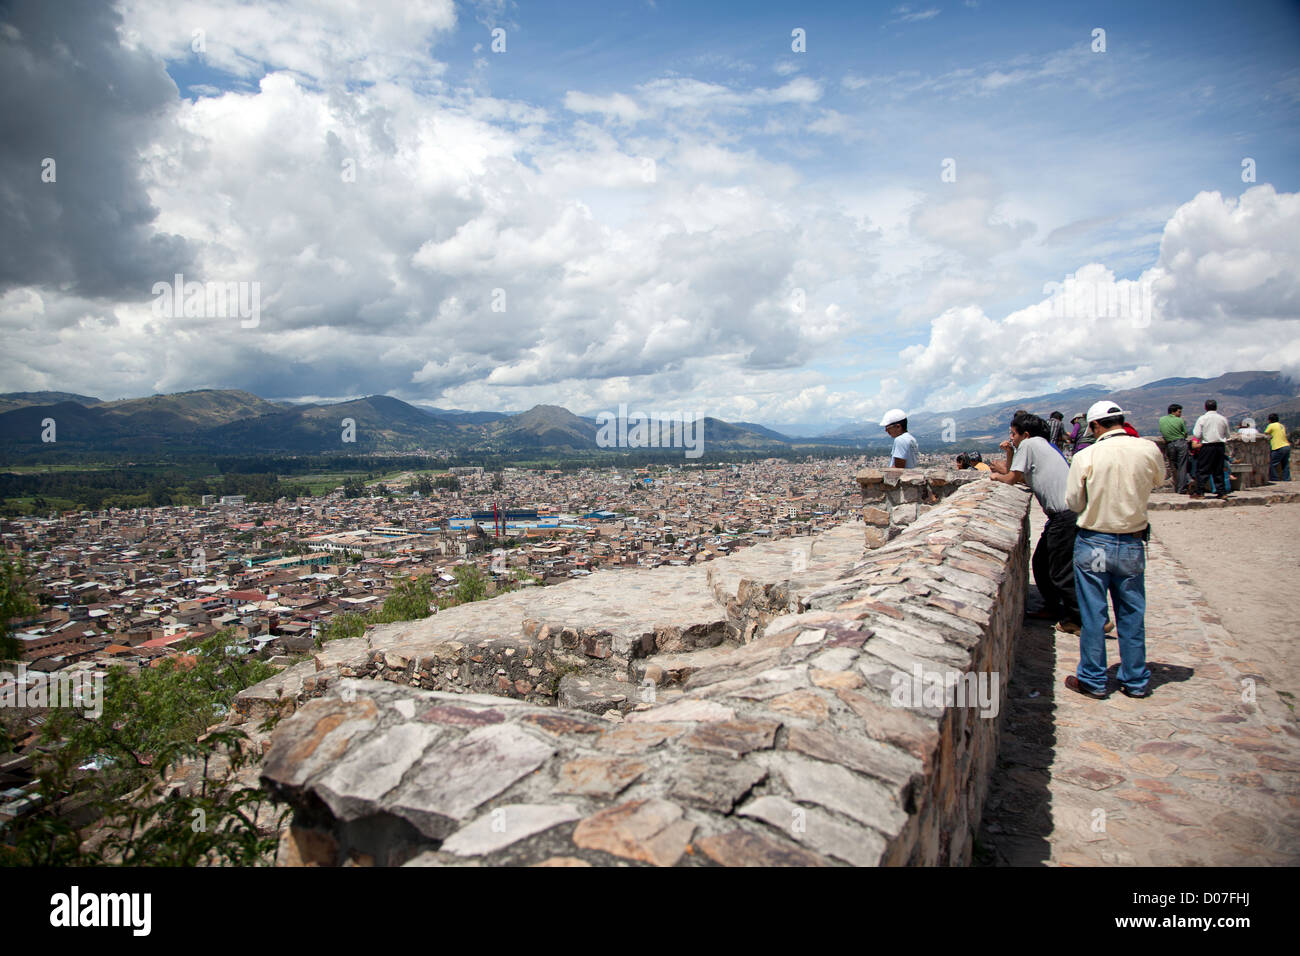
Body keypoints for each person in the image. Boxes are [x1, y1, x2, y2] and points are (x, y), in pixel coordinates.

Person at [1064, 400, 1166, 699]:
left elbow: (1073, 502)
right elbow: (1158, 480)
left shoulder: (1087, 455)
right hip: (1132, 541)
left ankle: (1093, 680)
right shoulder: (1147, 449)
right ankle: (1135, 680)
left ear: (1095, 426)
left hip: (1095, 541)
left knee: (1093, 613)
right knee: (1132, 611)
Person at [989, 411, 1080, 630]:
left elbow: (1011, 478)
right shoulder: (1041, 445)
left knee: (1060, 571)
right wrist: (1010, 452)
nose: (1011, 438)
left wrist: (995, 477)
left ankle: (1082, 619)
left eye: (1013, 434)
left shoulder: (1029, 445)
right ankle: (1054, 608)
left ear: (1025, 434)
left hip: (1064, 516)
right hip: (1067, 514)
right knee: (1042, 563)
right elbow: (1016, 472)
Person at [1191, 399, 1231, 499]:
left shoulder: (1202, 419)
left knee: (1203, 470)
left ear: (1205, 407)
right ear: (1216, 407)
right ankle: (1222, 492)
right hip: (1220, 446)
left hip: (1207, 446)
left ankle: (1199, 492)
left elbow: (1197, 434)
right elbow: (1227, 434)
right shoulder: (1223, 419)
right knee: (1218, 470)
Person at [1157, 403, 1191, 494]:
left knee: (1173, 466)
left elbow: (1161, 430)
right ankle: (1182, 488)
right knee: (1182, 466)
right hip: (1180, 443)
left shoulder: (1161, 420)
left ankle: (1177, 485)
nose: (1180, 414)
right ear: (1173, 412)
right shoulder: (1180, 420)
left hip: (1169, 445)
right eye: (1179, 412)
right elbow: (1185, 433)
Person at [1265, 414, 1291, 481]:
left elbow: (1265, 434)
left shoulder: (1271, 425)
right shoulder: (1281, 425)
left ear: (1270, 420)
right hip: (1286, 446)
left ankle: (1274, 478)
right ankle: (1286, 479)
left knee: (1272, 464)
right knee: (1285, 464)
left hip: (1278, 446)